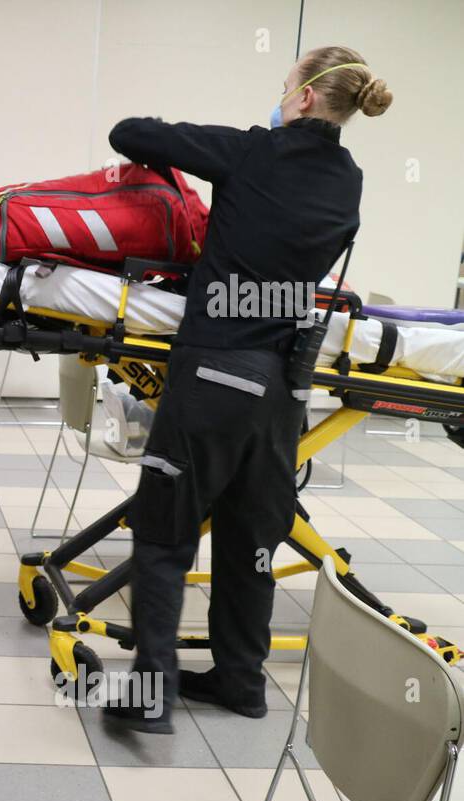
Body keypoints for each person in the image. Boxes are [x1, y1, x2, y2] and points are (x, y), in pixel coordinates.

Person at [102, 46, 389, 733]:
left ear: (304, 98)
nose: (280, 93)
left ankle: (151, 698)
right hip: (284, 395)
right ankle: (240, 681)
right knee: (251, 541)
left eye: (286, 84)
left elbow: (130, 132)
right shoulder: (348, 181)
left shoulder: (254, 152)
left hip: (214, 375)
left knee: (165, 533)